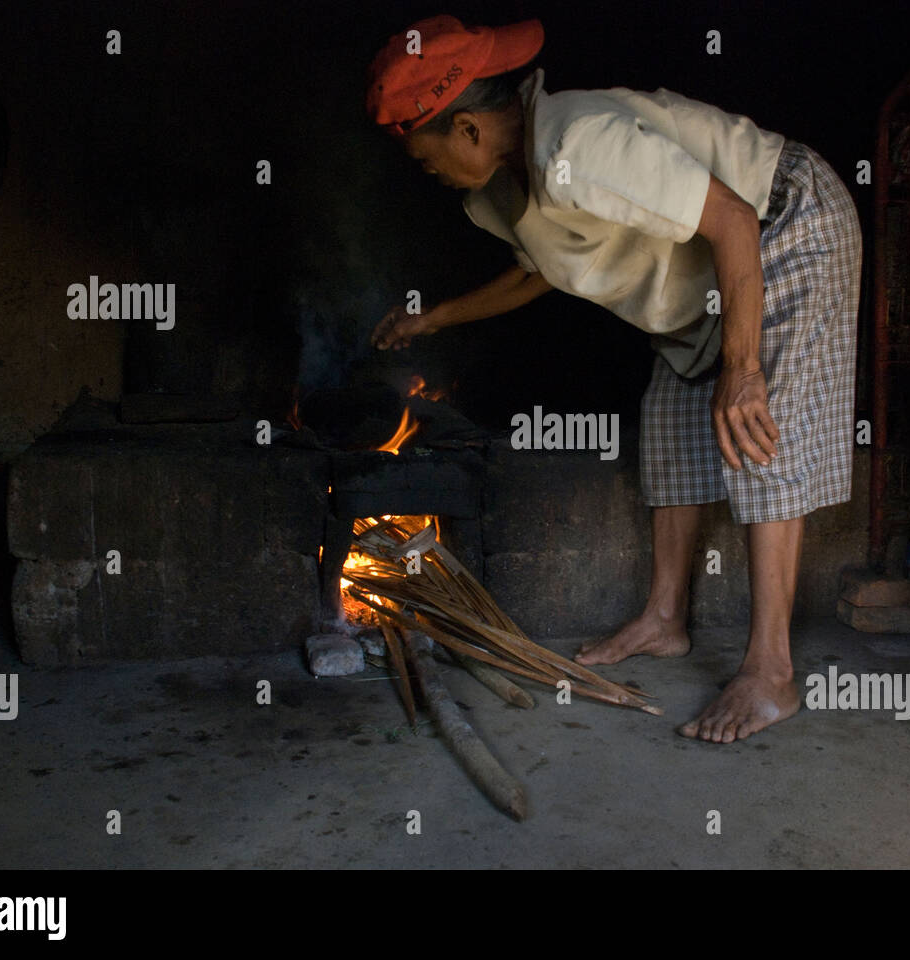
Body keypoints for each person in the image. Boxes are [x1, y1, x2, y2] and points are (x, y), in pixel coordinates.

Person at [367, 15, 861, 743]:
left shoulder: (578, 144)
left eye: (424, 155)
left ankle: (771, 671)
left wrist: (745, 369)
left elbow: (730, 220)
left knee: (758, 431)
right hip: (704, 284)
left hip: (783, 222)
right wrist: (432, 319)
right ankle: (665, 619)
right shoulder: (507, 186)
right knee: (669, 425)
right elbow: (540, 271)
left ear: (467, 130)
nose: (427, 172)